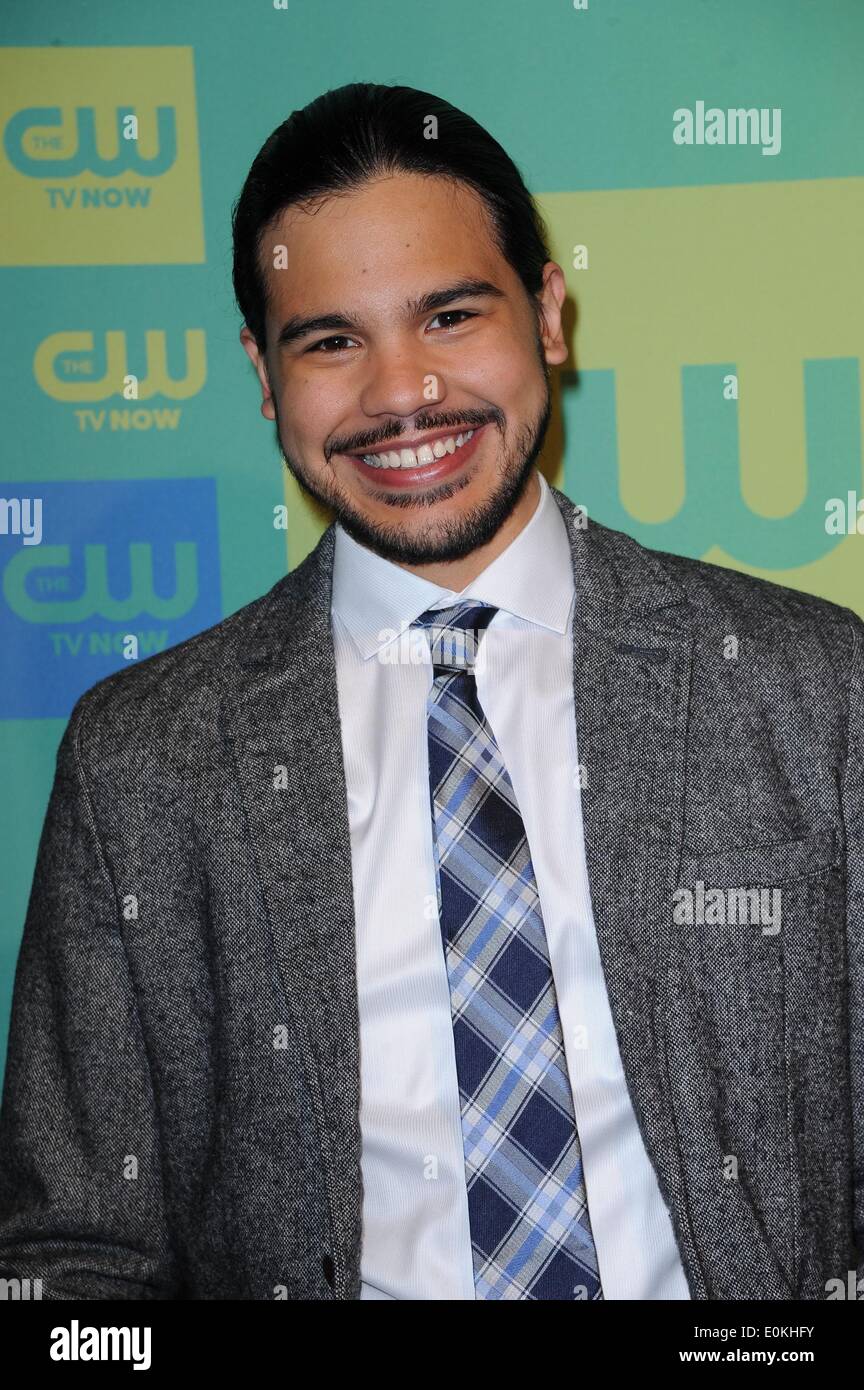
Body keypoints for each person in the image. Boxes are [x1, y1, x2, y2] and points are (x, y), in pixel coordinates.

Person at [0, 82, 861, 1301]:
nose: (402, 393)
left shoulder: (813, 690)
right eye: (331, 341)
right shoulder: (141, 760)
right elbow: (74, 1260)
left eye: (450, 315)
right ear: (262, 373)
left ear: (548, 313)